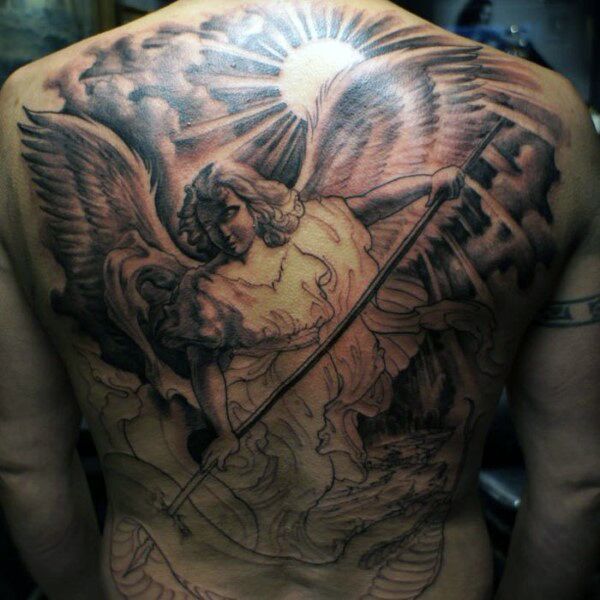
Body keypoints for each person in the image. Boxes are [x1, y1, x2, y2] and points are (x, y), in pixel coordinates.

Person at [0, 1, 598, 599]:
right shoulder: (556, 111)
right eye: (213, 223)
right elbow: (577, 485)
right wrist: (223, 424)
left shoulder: (25, 99)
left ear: (253, 200)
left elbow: (25, 467)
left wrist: (431, 183)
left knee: (333, 452)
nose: (224, 230)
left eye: (229, 213)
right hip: (381, 546)